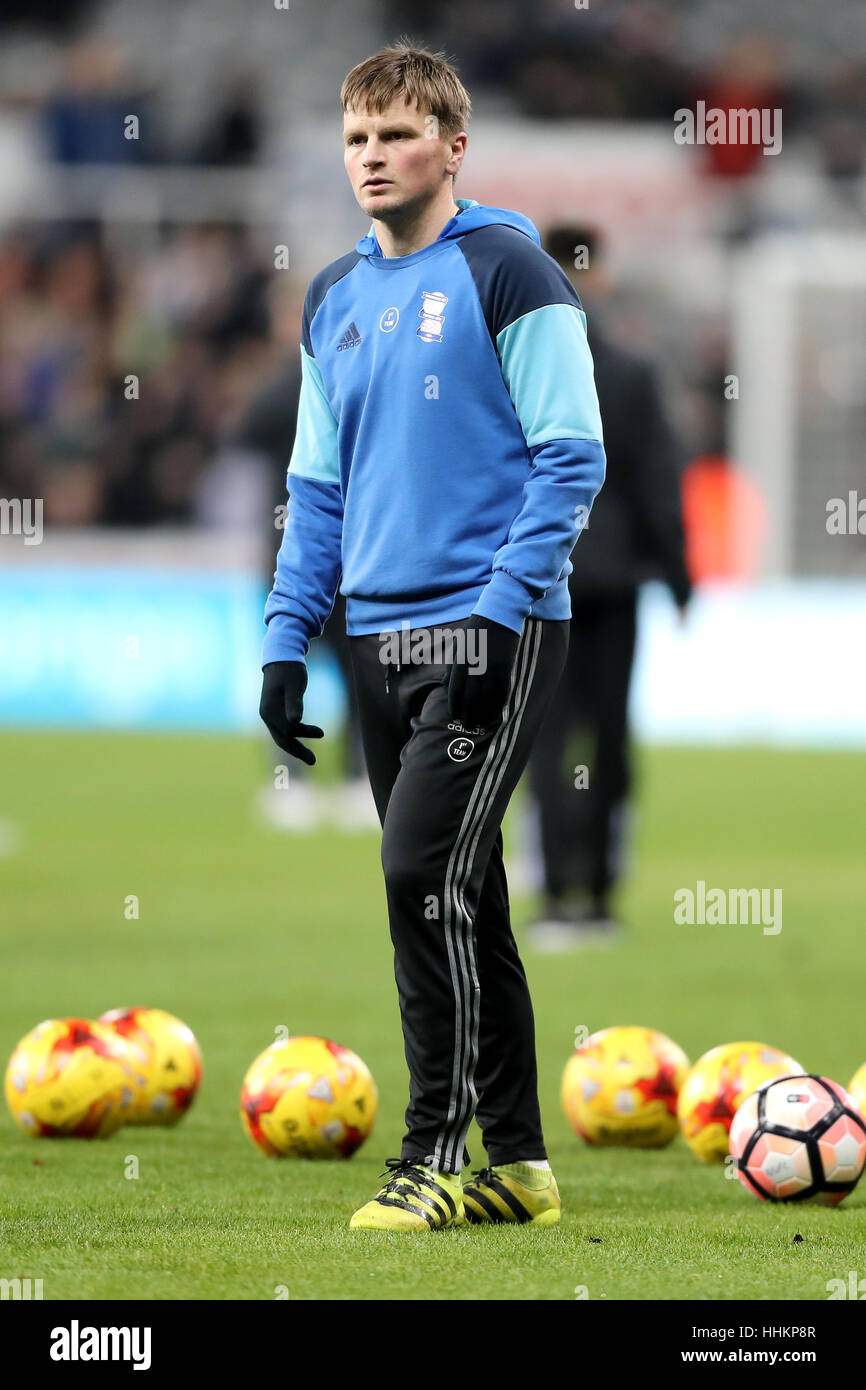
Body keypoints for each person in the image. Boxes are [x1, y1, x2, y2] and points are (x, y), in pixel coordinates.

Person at [258, 44, 605, 1232]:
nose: (371, 156)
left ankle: (437, 1155)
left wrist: (497, 609)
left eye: (397, 136)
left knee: (418, 873)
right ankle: (518, 1163)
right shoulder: (332, 299)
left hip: (490, 631)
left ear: (452, 148)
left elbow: (571, 456)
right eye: (356, 137)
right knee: (463, 892)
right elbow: (316, 488)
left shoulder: (510, 272)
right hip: (377, 637)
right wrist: (284, 640)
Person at [526, 225, 692, 950]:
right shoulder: (630, 371)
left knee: (545, 739)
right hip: (615, 581)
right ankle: (599, 893)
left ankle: (555, 894)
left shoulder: (519, 370)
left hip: (536, 583)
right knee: (610, 740)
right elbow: (659, 481)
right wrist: (680, 574)